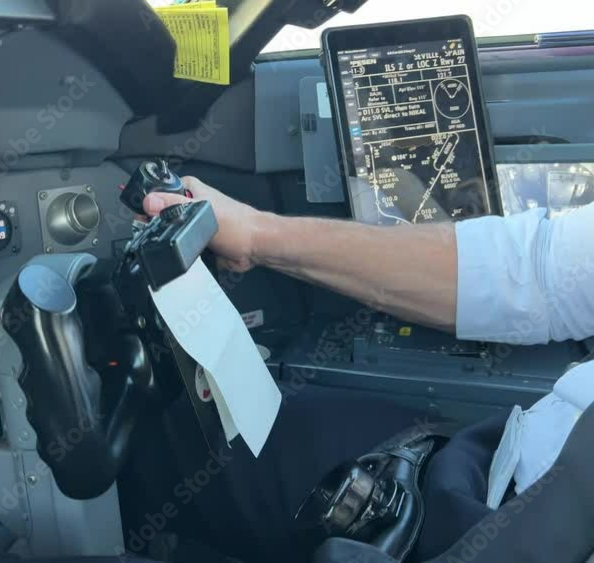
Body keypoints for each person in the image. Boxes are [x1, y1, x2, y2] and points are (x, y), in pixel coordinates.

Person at [139, 177, 594, 561]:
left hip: (512, 535)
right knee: (205, 437)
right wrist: (257, 234)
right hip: (486, 466)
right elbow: (534, 272)